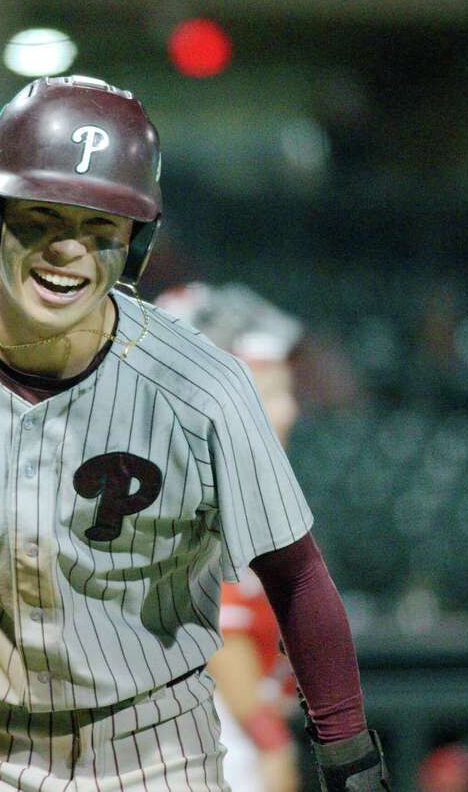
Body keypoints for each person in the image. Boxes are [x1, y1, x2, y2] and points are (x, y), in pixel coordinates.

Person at [0, 75, 388, 792]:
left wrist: (350, 756)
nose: (69, 250)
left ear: (135, 246)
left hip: (156, 740)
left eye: (101, 230)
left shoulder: (204, 386)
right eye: (42, 217)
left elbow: (296, 572)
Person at [155, 283, 304, 792]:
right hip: (212, 746)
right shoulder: (194, 502)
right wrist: (270, 745)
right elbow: (220, 629)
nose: (288, 413)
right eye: (270, 396)